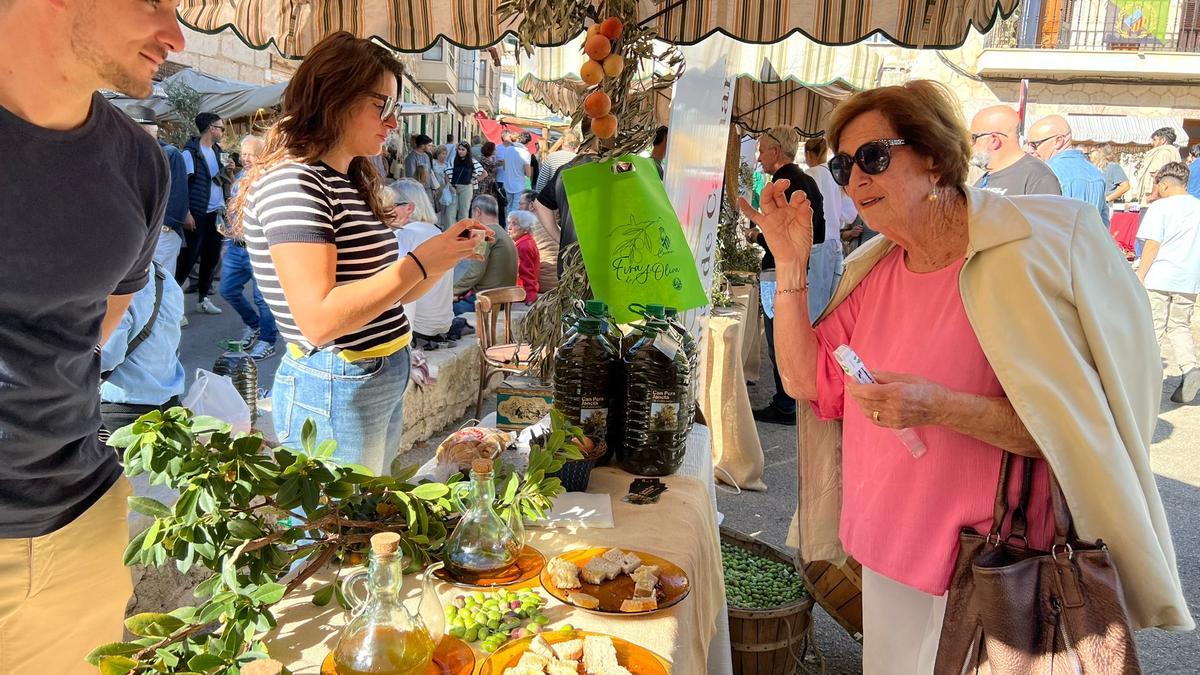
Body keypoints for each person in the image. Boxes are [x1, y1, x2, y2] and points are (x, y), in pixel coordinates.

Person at [738, 79, 1191, 674]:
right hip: (885, 548)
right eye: (846, 165)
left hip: (993, 564)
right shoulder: (872, 271)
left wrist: (943, 407)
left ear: (934, 155)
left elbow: (1086, 428)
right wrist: (792, 262)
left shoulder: (1038, 247)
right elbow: (803, 380)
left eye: (874, 156)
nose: (856, 179)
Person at [0, 0, 183, 669]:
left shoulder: (140, 162)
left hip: (76, 524)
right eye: (152, 1)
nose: (175, 33)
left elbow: (96, 324)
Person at [232, 32, 488, 474]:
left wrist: (444, 256)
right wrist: (423, 261)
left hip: (369, 375)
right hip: (340, 380)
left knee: (360, 524)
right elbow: (320, 320)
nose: (393, 122)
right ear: (335, 96)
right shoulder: (296, 182)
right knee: (341, 529)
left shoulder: (344, 180)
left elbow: (389, 296)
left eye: (396, 109)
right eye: (382, 105)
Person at [746, 125, 826, 426]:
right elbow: (819, 232)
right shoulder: (808, 182)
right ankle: (791, 400)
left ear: (776, 151)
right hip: (800, 273)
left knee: (778, 339)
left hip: (776, 274)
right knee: (791, 335)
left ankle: (785, 403)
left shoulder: (781, 184)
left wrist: (757, 236)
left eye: (762, 149)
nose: (759, 156)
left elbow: (778, 236)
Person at [1136, 162, 1200, 404]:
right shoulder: (1198, 206)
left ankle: (1147, 378)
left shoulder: (1161, 208)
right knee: (1179, 325)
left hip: (1160, 274)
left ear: (1163, 184)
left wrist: (1140, 275)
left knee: (1153, 327)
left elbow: (1152, 244)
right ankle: (1190, 367)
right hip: (1189, 276)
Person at [100, 263, 187, 432]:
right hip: (169, 406)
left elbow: (106, 357)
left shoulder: (117, 286)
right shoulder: (162, 275)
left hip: (123, 411)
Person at [220, 135, 277, 360]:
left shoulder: (270, 180)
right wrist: (227, 237)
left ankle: (267, 339)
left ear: (263, 155)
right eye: (243, 153)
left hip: (260, 247)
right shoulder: (241, 177)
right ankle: (254, 326)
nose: (246, 158)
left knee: (263, 298)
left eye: (251, 154)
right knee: (227, 289)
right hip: (236, 246)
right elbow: (233, 211)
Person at [385, 180, 457, 350]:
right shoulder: (437, 232)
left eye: (391, 205)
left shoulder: (405, 234)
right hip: (442, 324)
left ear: (409, 207)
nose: (386, 210)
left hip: (418, 328)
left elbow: (401, 291)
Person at [126, 105, 194, 276]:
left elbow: (178, 195)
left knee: (160, 283)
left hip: (162, 233)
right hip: (136, 231)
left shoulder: (169, 154)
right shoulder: (128, 153)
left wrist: (167, 226)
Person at [178, 111, 229, 314]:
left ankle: (203, 299)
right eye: (221, 128)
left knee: (211, 256)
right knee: (187, 259)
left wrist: (229, 171)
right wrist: (186, 212)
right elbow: (181, 185)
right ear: (211, 128)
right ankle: (173, 305)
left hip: (215, 213)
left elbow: (219, 181)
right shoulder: (190, 153)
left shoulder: (218, 151)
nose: (223, 132)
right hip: (197, 213)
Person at [535, 119, 600, 276]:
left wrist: (561, 238)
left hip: (570, 260)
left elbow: (540, 203)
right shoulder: (612, 170)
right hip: (602, 261)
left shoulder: (566, 170)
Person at [804, 137, 857, 319]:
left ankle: (816, 345)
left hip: (818, 242)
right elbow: (850, 215)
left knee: (816, 303)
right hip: (835, 243)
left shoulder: (810, 175)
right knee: (832, 302)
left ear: (809, 154)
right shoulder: (836, 175)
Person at [1027, 115, 1108, 226]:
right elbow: (1103, 224)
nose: (1030, 150)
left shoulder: (1046, 172)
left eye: (1034, 144)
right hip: (1087, 241)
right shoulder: (1096, 172)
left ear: (1058, 141)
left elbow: (1041, 223)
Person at [968, 105, 1061, 197]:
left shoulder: (1038, 177)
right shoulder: (986, 178)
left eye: (973, 138)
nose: (970, 144)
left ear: (994, 140)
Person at [452, 194, 519, 315]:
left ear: (477, 212)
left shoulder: (483, 233)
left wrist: (452, 291)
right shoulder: (504, 234)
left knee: (439, 310)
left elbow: (474, 272)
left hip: (487, 300)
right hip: (504, 299)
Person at [1134, 127, 1182, 206]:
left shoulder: (1162, 153)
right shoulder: (1173, 152)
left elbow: (1157, 175)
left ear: (1163, 140)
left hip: (1154, 200)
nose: (1152, 143)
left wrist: (1153, 195)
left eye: (1154, 140)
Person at [508, 209, 541, 304]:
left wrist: (531, 296)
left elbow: (527, 273)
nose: (509, 227)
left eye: (514, 224)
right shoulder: (526, 241)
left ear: (525, 228)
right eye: (509, 223)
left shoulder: (524, 246)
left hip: (521, 293)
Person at [446, 142, 485, 221]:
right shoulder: (453, 159)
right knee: (450, 212)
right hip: (453, 187)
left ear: (467, 151)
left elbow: (484, 173)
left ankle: (462, 231)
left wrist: (474, 180)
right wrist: (449, 185)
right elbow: (446, 173)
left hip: (466, 188)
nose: (460, 151)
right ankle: (450, 231)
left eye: (463, 150)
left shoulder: (472, 161)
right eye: (459, 149)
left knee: (463, 212)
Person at [495, 131, 531, 217]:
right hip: (519, 184)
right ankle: (512, 229)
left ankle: (507, 228)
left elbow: (504, 167)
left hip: (507, 183)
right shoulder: (526, 153)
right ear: (528, 142)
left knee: (509, 207)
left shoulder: (508, 149)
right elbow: (528, 173)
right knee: (515, 209)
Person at [431, 145, 453, 229]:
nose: (444, 156)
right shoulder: (433, 163)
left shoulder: (447, 164)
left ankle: (442, 225)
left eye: (445, 154)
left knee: (444, 207)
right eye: (442, 153)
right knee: (436, 207)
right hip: (435, 187)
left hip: (444, 188)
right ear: (438, 154)